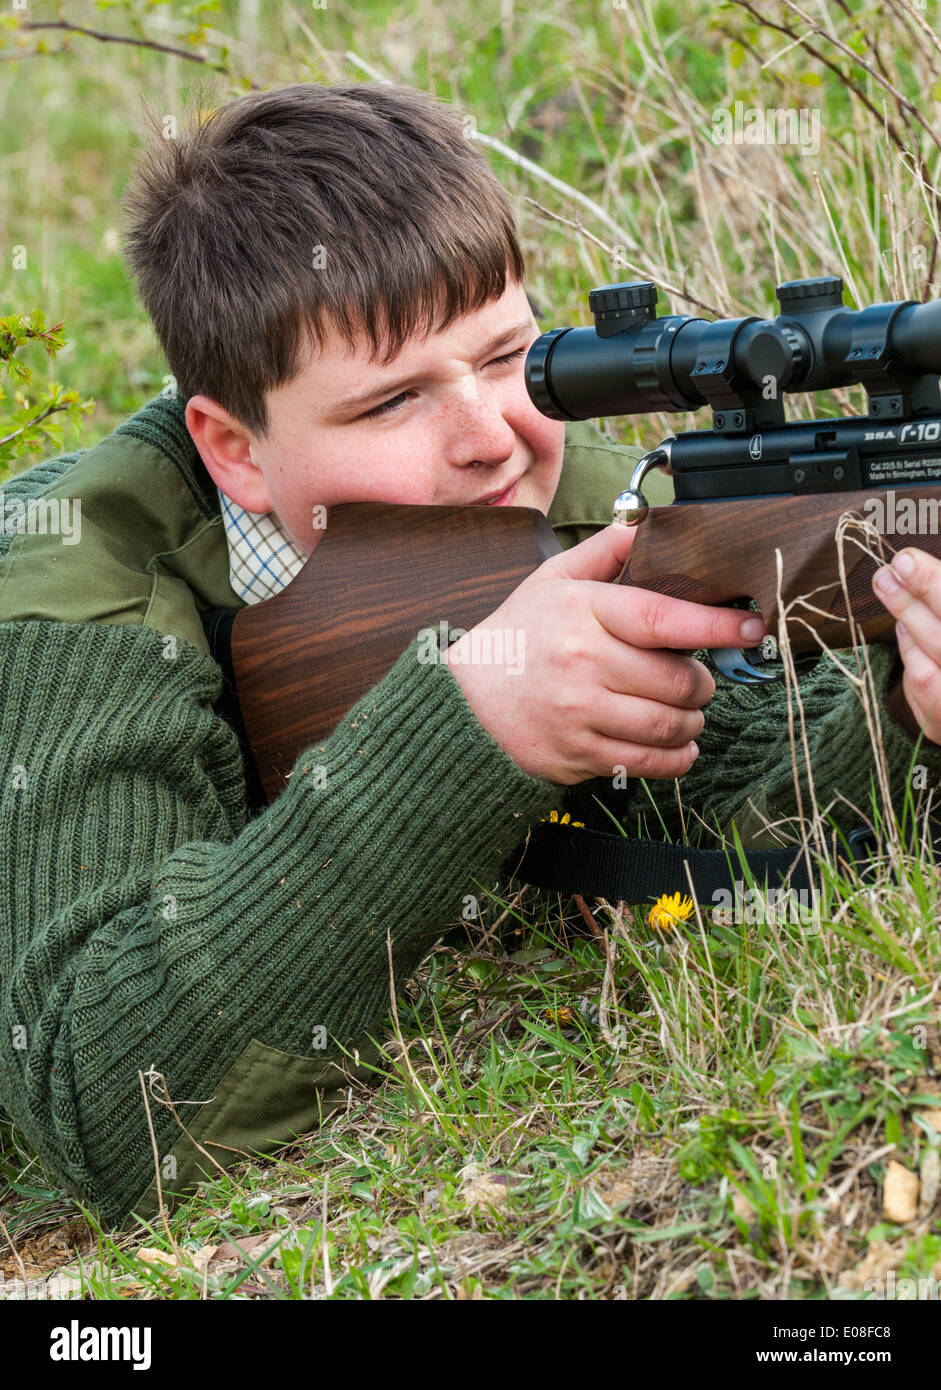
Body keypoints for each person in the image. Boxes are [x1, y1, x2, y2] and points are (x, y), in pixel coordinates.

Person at [1, 82, 938, 1229]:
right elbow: (109, 1112)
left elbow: (734, 790)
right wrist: (469, 727)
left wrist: (905, 723)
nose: (490, 438)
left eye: (507, 357)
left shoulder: (557, 497)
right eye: (392, 401)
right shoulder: (65, 597)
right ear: (233, 449)